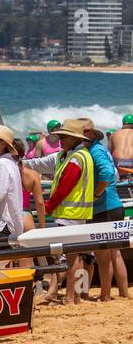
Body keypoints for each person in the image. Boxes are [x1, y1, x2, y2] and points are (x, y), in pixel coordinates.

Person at [41, 120, 96, 304]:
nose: (59, 140)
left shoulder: (75, 158)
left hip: (70, 213)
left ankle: (71, 296)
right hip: (79, 213)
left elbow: (64, 187)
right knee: (78, 257)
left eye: (63, 137)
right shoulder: (83, 155)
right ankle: (78, 296)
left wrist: (49, 207)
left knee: (70, 258)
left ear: (74, 138)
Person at [80, 118, 128, 300]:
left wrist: (96, 194)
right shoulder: (99, 149)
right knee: (114, 252)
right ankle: (123, 292)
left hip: (104, 208)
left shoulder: (95, 150)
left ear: (90, 134)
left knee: (102, 254)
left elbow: (108, 174)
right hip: (113, 205)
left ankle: (105, 295)